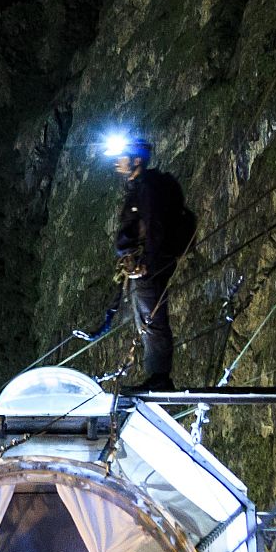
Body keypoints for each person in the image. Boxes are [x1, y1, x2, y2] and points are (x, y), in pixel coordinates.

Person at [111, 136, 192, 393]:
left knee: (151, 320)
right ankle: (155, 376)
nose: (117, 161)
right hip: (141, 264)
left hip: (147, 266)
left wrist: (147, 263)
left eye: (121, 156)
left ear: (136, 160)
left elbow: (154, 226)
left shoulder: (148, 188)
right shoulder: (141, 186)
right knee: (145, 319)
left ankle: (159, 379)